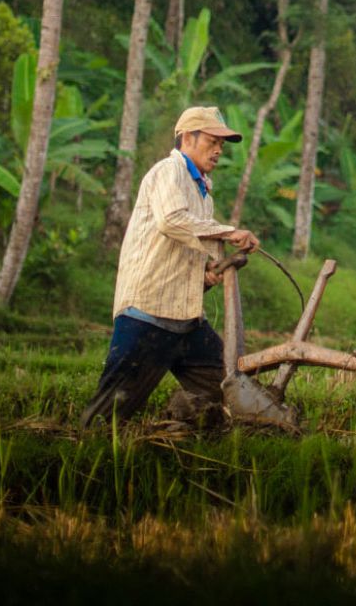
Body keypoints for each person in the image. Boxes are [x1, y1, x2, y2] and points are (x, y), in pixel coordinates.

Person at [81, 105, 261, 426]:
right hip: (148, 315)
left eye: (223, 144)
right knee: (106, 418)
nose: (219, 149)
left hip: (186, 320)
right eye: (212, 141)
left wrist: (204, 277)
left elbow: (185, 248)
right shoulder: (168, 172)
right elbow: (172, 221)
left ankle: (199, 434)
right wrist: (229, 231)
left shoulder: (203, 192)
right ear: (187, 138)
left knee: (230, 388)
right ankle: (81, 459)